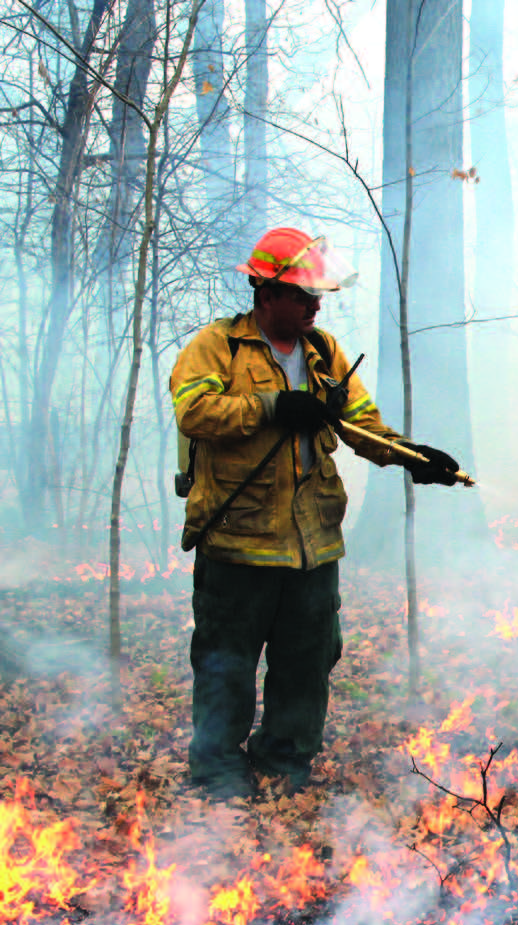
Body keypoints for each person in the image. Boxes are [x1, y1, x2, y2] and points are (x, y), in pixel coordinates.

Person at [169, 227, 463, 801]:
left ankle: (283, 760)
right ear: (267, 292)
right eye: (302, 294)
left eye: (317, 294)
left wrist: (413, 457)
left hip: (312, 544)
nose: (315, 304)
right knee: (226, 662)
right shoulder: (216, 347)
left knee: (308, 662)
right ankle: (217, 770)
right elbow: (195, 412)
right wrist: (274, 405)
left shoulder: (323, 352)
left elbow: (363, 426)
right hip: (238, 541)